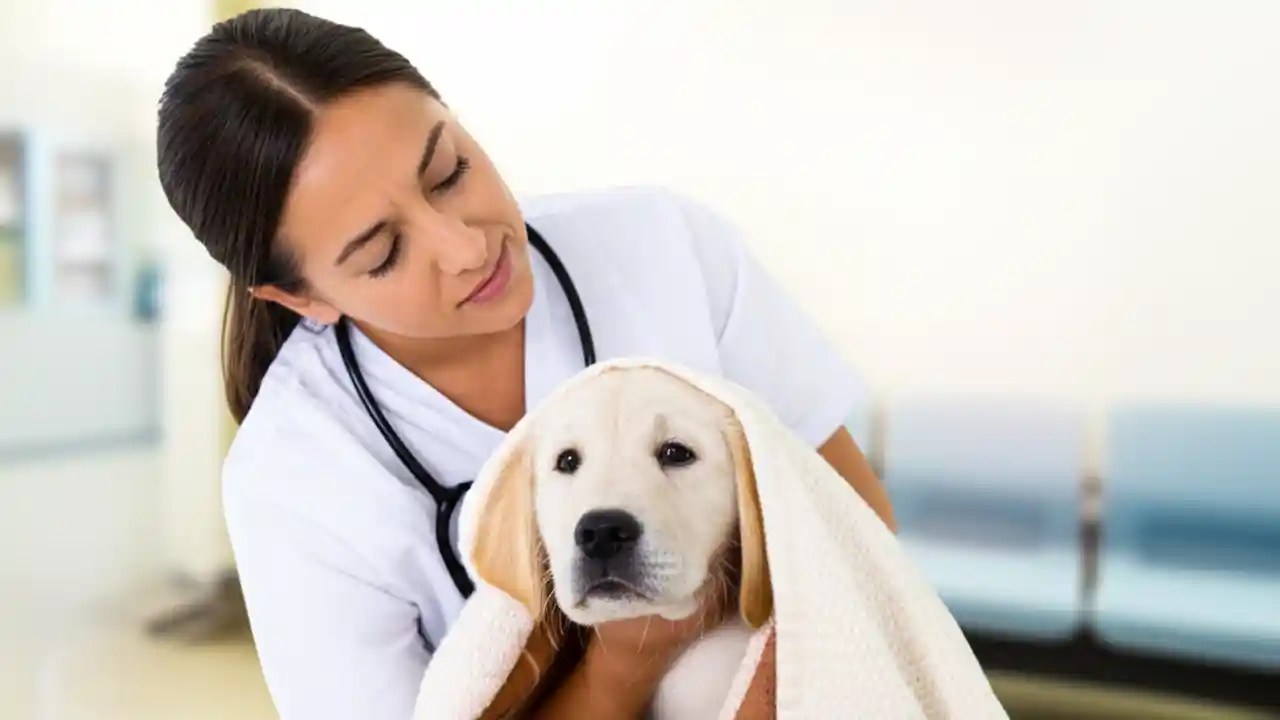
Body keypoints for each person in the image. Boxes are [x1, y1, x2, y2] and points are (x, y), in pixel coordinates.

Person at [157, 8, 895, 719]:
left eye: (449, 171)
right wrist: (624, 665)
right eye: (384, 253)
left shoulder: (665, 250)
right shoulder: (295, 479)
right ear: (301, 297)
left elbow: (859, 536)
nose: (467, 247)